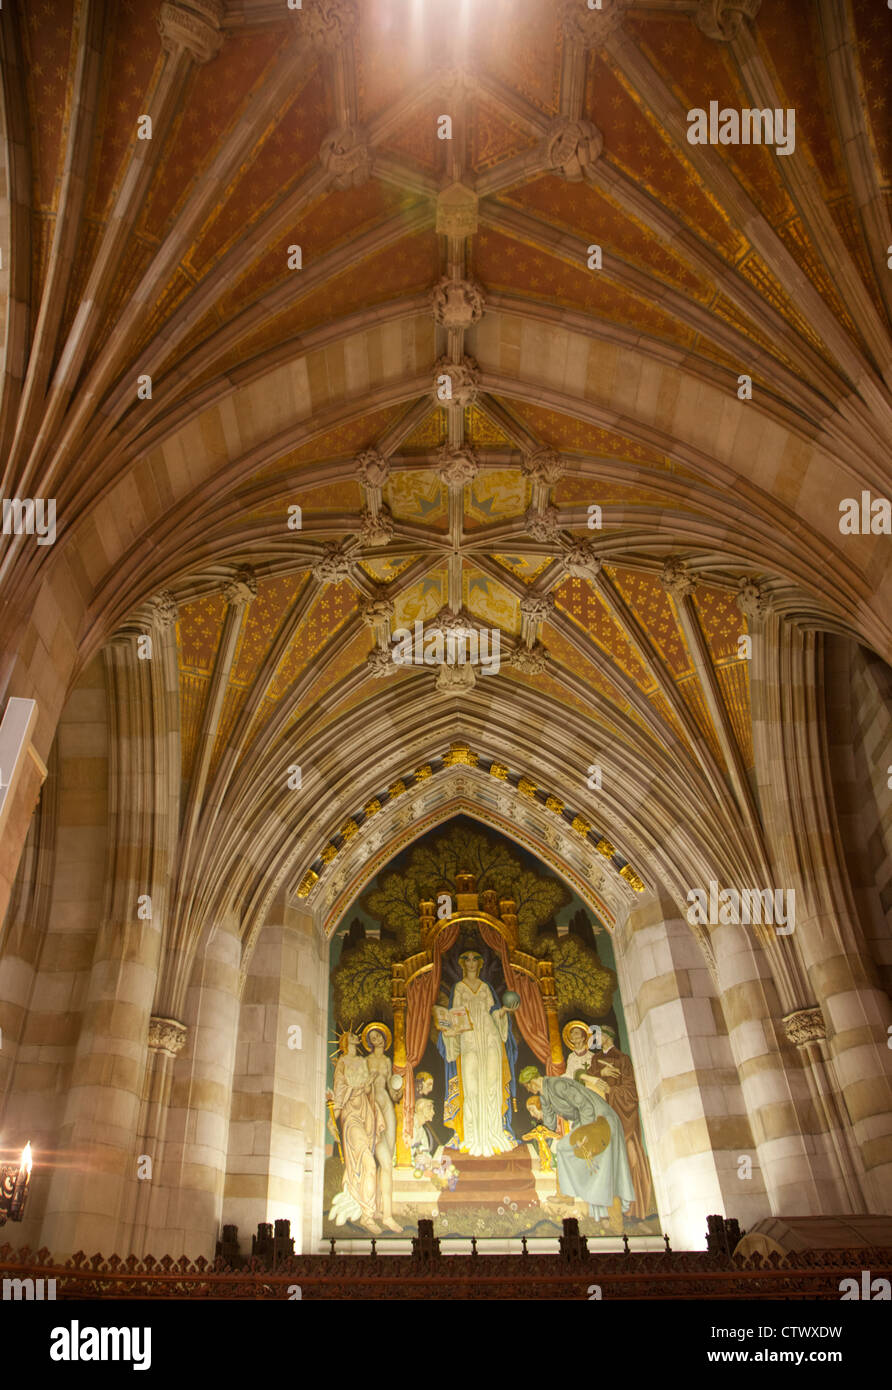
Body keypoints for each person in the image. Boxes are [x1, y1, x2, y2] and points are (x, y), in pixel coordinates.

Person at [520, 1065, 634, 1233]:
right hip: (586, 1121)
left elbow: (586, 1105)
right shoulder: (544, 1096)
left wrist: (585, 1133)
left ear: (532, 1082)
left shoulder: (558, 1085)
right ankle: (565, 1195)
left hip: (600, 1119)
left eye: (527, 1086)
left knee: (605, 1172)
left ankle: (616, 1223)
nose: (529, 1090)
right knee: (563, 1148)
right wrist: (545, 1144)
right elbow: (550, 1122)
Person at [435, 949, 517, 1156]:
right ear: (462, 964)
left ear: (480, 964)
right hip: (468, 1038)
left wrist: (504, 1012)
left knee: (492, 1084)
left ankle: (493, 1133)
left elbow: (494, 1012)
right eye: (467, 960)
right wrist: (448, 1029)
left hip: (489, 1036)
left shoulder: (485, 987)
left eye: (475, 960)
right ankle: (471, 1136)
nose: (471, 963)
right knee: (470, 1088)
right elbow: (455, 1016)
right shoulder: (459, 988)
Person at [587, 1026, 654, 1219]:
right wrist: (599, 1077)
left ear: (609, 1037)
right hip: (602, 1116)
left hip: (623, 1115)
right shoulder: (595, 1059)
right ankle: (610, 1209)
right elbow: (588, 1082)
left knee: (629, 1154)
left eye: (600, 1035)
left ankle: (632, 1207)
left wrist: (611, 1090)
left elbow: (631, 1091)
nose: (597, 1039)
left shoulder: (623, 1059)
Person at [327, 1031, 383, 1234]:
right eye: (351, 1035)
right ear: (344, 1041)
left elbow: (368, 1090)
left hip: (366, 1112)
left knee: (369, 1162)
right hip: (350, 1115)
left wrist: (368, 1085)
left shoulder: (361, 1060)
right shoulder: (342, 1061)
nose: (354, 1036)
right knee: (368, 1162)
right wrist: (332, 1119)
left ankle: (368, 1209)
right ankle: (367, 1215)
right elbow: (339, 1089)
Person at [363, 1023, 402, 1233]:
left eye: (379, 1035)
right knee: (383, 1162)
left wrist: (397, 1092)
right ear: (369, 1041)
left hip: (387, 1102)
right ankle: (387, 1216)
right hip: (373, 1105)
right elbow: (362, 1086)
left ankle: (379, 1209)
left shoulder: (387, 1060)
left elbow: (389, 1084)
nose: (376, 1038)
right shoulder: (366, 1061)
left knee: (388, 1157)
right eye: (373, 1036)